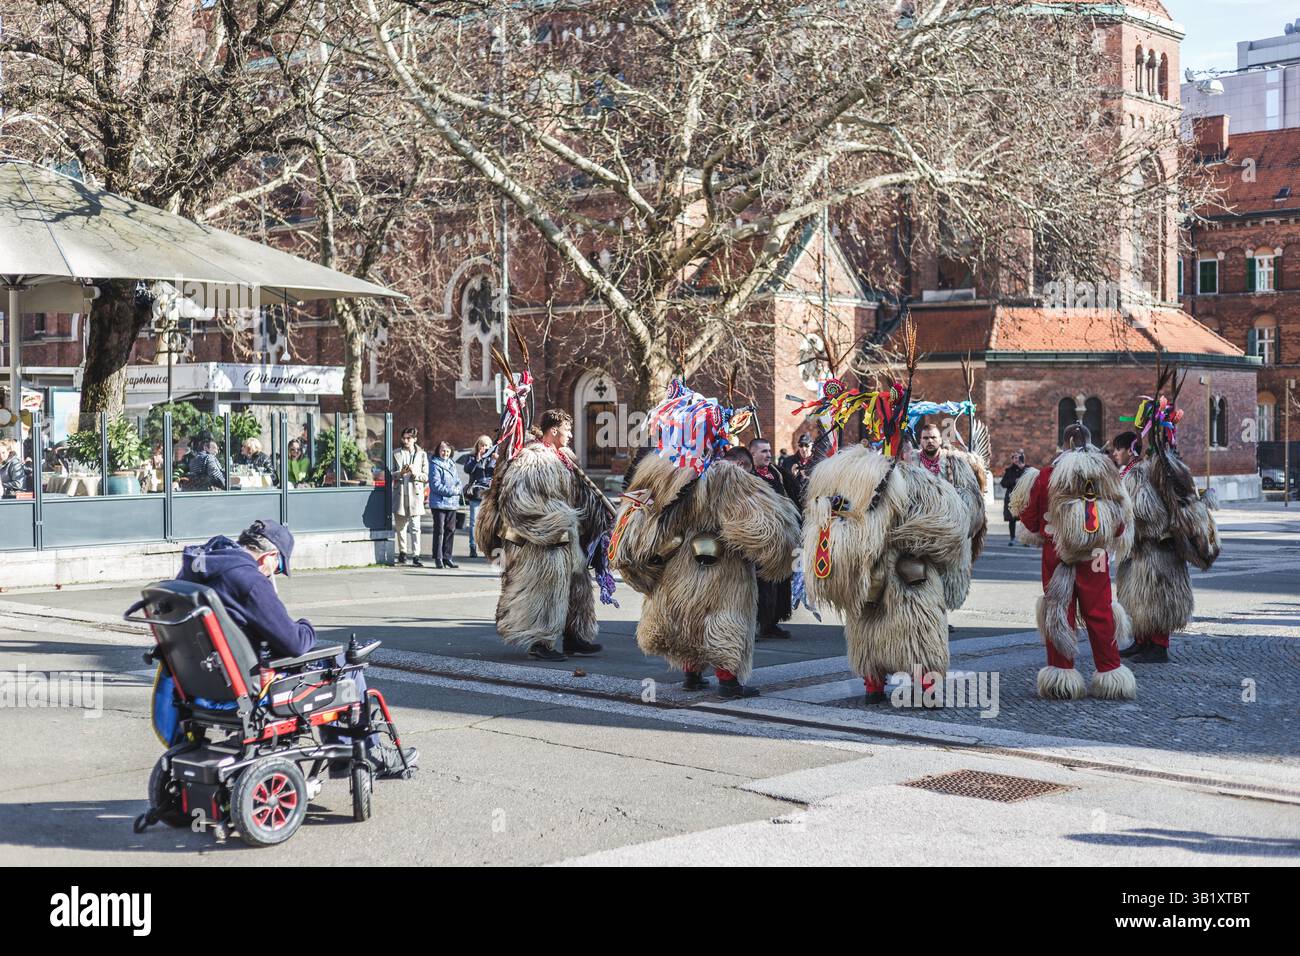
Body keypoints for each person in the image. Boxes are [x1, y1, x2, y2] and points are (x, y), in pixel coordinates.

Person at [174, 518, 417, 777]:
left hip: (200, 688)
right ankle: (363, 754)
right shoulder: (249, 579)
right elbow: (295, 643)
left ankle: (351, 756)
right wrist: (305, 625)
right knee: (347, 669)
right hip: (250, 688)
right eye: (277, 567)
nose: (273, 573)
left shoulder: (197, 570)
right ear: (269, 556)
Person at [610, 383, 800, 698]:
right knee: (721, 616)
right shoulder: (725, 476)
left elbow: (633, 520)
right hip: (719, 569)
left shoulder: (659, 472)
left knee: (685, 616)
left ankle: (692, 674)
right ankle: (728, 678)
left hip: (675, 568)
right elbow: (760, 523)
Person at [476, 409, 611, 661]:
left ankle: (574, 634)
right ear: (554, 430)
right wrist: (556, 519)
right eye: (567, 430)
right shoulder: (531, 460)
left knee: (577, 585)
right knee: (546, 590)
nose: (570, 435)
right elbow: (518, 502)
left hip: (566, 539)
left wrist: (598, 514)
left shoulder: (565, 458)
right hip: (539, 543)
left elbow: (580, 496)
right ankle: (541, 641)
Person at [1014, 422, 1136, 700]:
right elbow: (1119, 522)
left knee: (1059, 613)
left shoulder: (1047, 475)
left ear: (1064, 444)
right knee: (1100, 613)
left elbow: (1030, 521)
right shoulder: (1105, 471)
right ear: (1091, 442)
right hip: (1095, 556)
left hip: (1057, 556)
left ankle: (1061, 675)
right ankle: (1110, 672)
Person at [1113, 398, 1220, 664]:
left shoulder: (1140, 473)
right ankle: (1141, 641)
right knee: (1140, 597)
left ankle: (1157, 647)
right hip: (1140, 550)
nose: (1114, 453)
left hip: (1157, 550)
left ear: (1130, 450)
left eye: (1117, 449)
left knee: (1157, 597)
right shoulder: (1134, 471)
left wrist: (1131, 522)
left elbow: (1150, 512)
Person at [916, 422, 987, 612]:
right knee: (920, 575)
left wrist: (960, 520)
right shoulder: (912, 464)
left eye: (933, 437)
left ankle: (941, 613)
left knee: (947, 576)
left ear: (940, 439)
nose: (930, 441)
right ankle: (926, 612)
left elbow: (970, 494)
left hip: (950, 529)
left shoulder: (955, 463)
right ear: (920, 441)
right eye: (926, 438)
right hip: (920, 530)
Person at [749, 438, 795, 640]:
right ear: (752, 454)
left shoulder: (778, 474)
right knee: (758, 583)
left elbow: (794, 496)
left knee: (779, 581)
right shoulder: (747, 476)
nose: (768, 454)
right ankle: (754, 624)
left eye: (769, 451)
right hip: (757, 536)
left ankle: (770, 623)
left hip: (781, 535)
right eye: (763, 451)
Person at [392, 427, 429, 567]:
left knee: (415, 527)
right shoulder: (396, 453)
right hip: (400, 492)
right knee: (400, 526)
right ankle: (402, 552)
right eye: (404, 438)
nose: (406, 440)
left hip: (415, 494)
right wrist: (400, 473)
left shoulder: (422, 455)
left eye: (409, 438)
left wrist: (415, 473)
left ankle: (416, 555)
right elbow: (389, 473)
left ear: (415, 439)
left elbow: (426, 477)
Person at [458, 435, 495, 559]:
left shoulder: (493, 458)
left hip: (489, 494)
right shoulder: (472, 457)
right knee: (474, 523)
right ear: (477, 445)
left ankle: (486, 548)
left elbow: (496, 472)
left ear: (490, 447)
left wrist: (497, 460)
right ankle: (472, 547)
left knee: (488, 524)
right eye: (481, 445)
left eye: (486, 445)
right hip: (476, 494)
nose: (483, 448)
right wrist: (476, 460)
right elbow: (467, 470)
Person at [427, 440, 463, 569]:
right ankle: (438, 558)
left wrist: (459, 488)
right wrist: (452, 491)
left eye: (447, 451)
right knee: (439, 530)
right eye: (443, 450)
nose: (445, 453)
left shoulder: (452, 464)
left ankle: (448, 557)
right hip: (439, 503)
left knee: (450, 530)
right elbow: (435, 485)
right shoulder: (434, 464)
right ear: (438, 451)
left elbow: (458, 480)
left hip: (452, 503)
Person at [1000, 450, 1027, 545]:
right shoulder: (1009, 470)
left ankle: (1025, 539)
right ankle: (1012, 538)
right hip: (1012, 497)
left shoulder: (1026, 469)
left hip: (1024, 497)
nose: (1016, 459)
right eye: (1015, 457)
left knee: (1025, 519)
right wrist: (1014, 481)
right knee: (1012, 519)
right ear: (1012, 459)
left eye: (1019, 457)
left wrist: (1023, 467)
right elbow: (1003, 483)